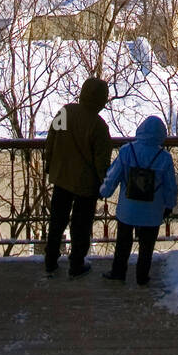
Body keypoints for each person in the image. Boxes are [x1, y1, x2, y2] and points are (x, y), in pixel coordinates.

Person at [43, 76, 112, 278]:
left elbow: (51, 139)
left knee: (57, 220)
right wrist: (103, 184)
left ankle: (50, 259)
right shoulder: (99, 126)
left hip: (62, 176)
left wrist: (50, 165)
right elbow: (102, 162)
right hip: (85, 184)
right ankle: (76, 264)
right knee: (80, 226)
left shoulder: (66, 112)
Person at [99, 115, 177, 286]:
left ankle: (118, 272)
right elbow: (170, 186)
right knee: (147, 246)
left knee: (123, 243)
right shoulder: (164, 158)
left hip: (128, 210)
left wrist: (103, 192)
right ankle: (142, 277)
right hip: (152, 212)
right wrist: (169, 205)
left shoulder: (127, 151)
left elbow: (113, 176)